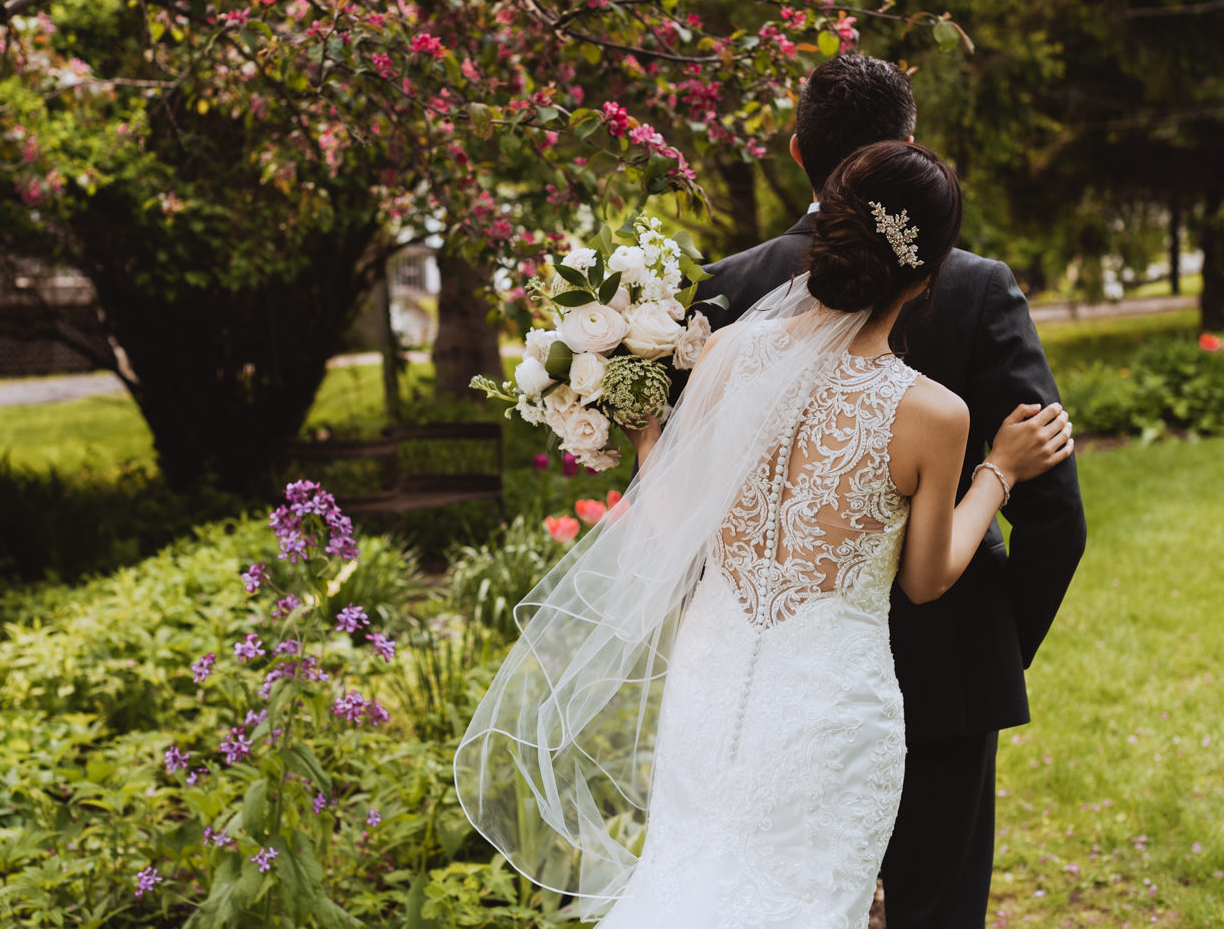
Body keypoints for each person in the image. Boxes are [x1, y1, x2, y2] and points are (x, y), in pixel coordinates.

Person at [455, 139, 1075, 928]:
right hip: (831, 706)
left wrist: (647, 435)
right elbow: (925, 578)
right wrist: (1001, 472)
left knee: (690, 885)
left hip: (711, 680)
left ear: (828, 238)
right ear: (929, 275)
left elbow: (672, 522)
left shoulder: (725, 353)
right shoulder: (934, 414)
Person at [696, 54, 1088, 928]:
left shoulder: (726, 292)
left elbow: (698, 505)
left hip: (766, 677)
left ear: (797, 152)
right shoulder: (975, 285)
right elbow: (1055, 522)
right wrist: (992, 656)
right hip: (943, 676)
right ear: (907, 148)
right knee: (935, 913)